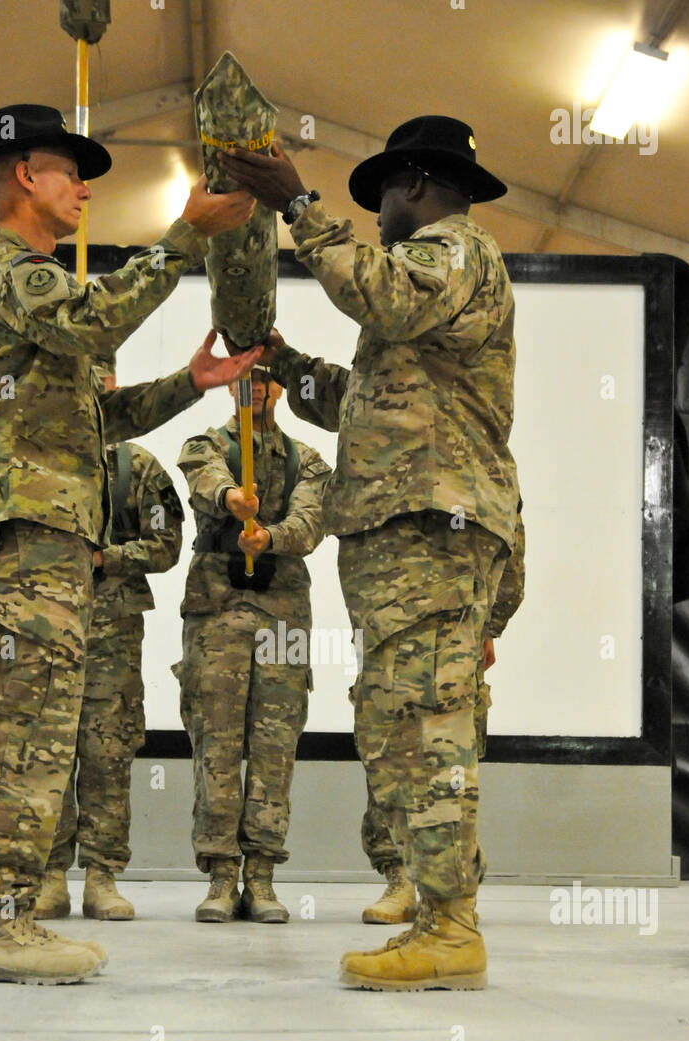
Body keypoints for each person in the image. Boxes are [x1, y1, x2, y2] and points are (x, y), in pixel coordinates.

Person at [0, 103, 259, 985]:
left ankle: (3, 914)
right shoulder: (5, 272)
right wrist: (183, 237)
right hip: (23, 524)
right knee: (24, 723)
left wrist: (190, 384)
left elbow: (98, 417)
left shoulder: (38, 287)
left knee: (41, 718)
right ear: (20, 178)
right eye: (66, 169)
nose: (83, 186)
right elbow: (94, 322)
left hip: (48, 524)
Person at [223, 116, 521, 989]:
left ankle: (452, 929)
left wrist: (299, 205)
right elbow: (367, 404)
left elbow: (379, 293)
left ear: (417, 186)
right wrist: (288, 365)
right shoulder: (431, 284)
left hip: (432, 532)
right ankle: (434, 916)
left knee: (426, 727)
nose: (379, 211)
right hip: (402, 535)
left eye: (383, 194)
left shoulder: (453, 250)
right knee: (399, 726)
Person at [175, 366, 331, 922]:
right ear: (232, 385)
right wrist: (231, 499)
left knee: (275, 744)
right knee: (215, 743)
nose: (256, 386)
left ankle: (260, 876)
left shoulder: (307, 459)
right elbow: (204, 478)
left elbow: (312, 522)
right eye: (246, 377)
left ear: (280, 388)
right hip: (217, 611)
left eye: (265, 377)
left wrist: (270, 536)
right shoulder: (205, 445)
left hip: (283, 615)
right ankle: (220, 874)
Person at [35, 363, 183, 922]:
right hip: (48, 628)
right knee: (49, 749)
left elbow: (167, 544)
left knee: (107, 752)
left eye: (103, 390)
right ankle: (50, 874)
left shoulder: (138, 468)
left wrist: (108, 558)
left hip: (113, 632)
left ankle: (102, 874)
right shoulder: (42, 464)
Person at [361, 512, 525, 924]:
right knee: (391, 755)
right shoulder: (396, 473)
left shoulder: (480, 473)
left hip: (458, 635)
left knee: (451, 767)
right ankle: (400, 879)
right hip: (393, 631)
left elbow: (511, 554)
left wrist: (490, 626)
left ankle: (452, 894)